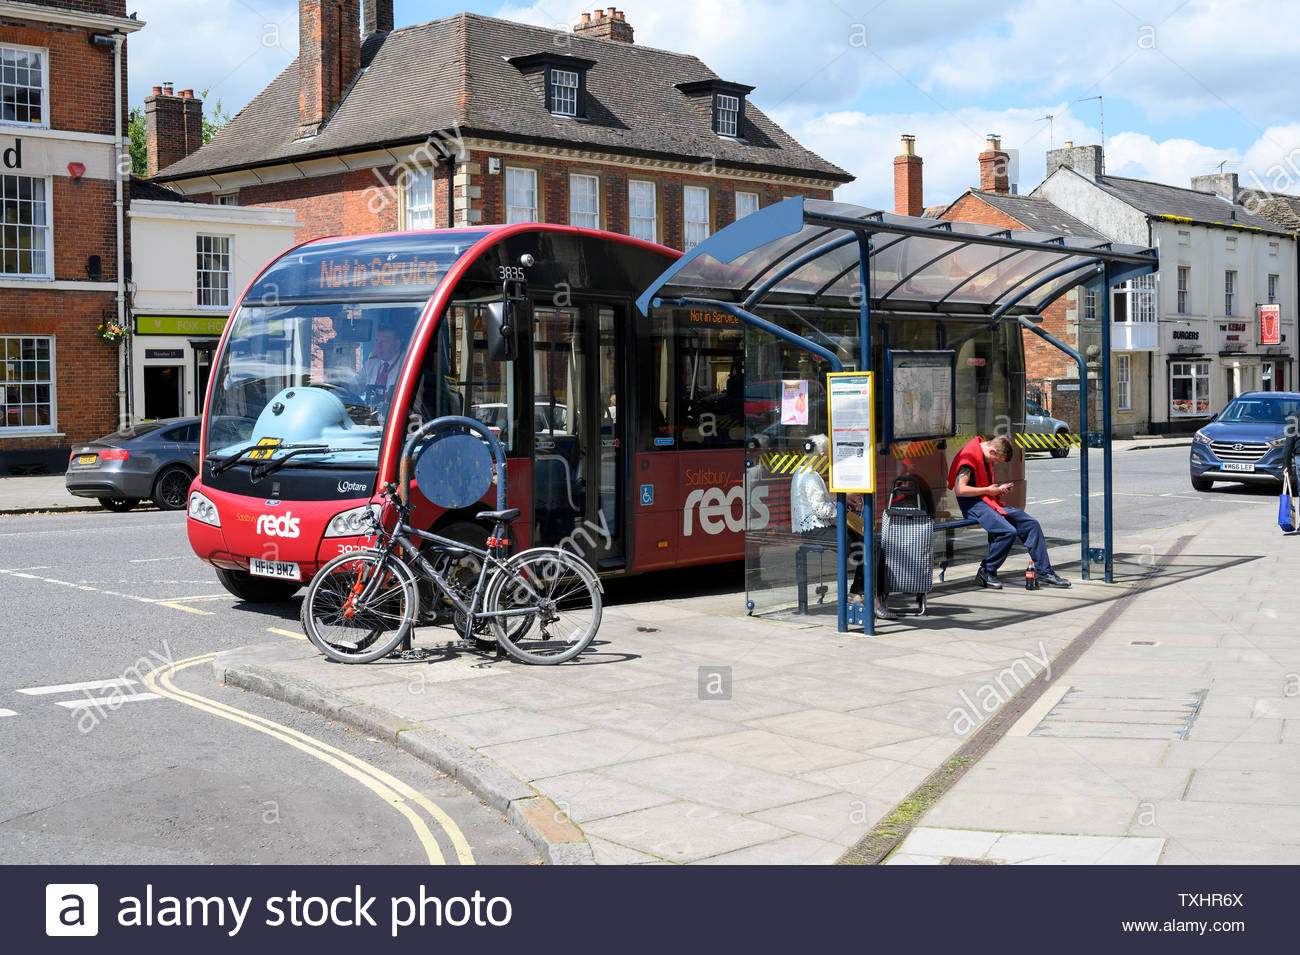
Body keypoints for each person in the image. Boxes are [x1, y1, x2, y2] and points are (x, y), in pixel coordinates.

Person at [791, 434, 895, 620]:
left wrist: (841, 503)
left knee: (869, 545)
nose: (830, 461)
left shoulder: (802, 471)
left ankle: (858, 593)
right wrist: (841, 507)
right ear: (822, 456)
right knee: (868, 547)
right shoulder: (810, 477)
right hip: (818, 531)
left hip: (814, 529)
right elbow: (821, 510)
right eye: (829, 457)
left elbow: (819, 506)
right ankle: (870, 598)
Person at [947, 434, 1070, 589]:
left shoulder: (984, 453)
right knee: (1007, 531)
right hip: (973, 504)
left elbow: (984, 486)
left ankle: (1044, 572)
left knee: (1031, 524)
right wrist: (988, 490)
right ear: (992, 451)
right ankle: (986, 571)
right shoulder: (969, 458)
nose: (995, 463)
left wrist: (997, 490)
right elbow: (960, 490)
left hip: (987, 500)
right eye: (997, 460)